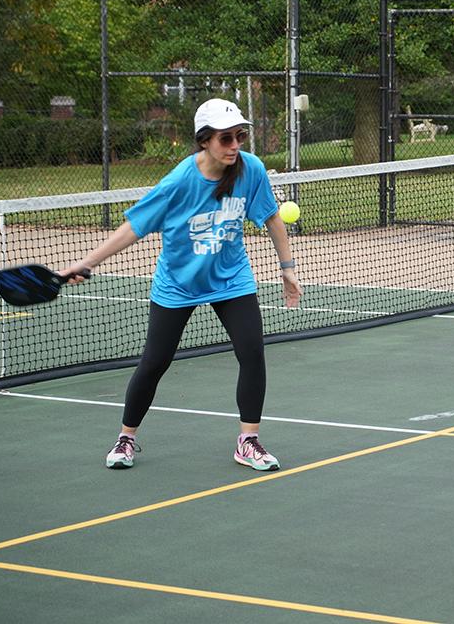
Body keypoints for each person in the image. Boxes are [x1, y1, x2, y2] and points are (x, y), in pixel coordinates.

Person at [61, 98, 302, 470]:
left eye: (239, 136)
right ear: (204, 140)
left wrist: (287, 268)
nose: (235, 145)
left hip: (231, 278)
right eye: (226, 138)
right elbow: (134, 227)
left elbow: (271, 217)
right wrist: (87, 263)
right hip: (178, 284)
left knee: (252, 352)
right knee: (155, 362)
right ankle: (126, 438)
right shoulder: (178, 183)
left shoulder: (250, 169)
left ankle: (248, 441)